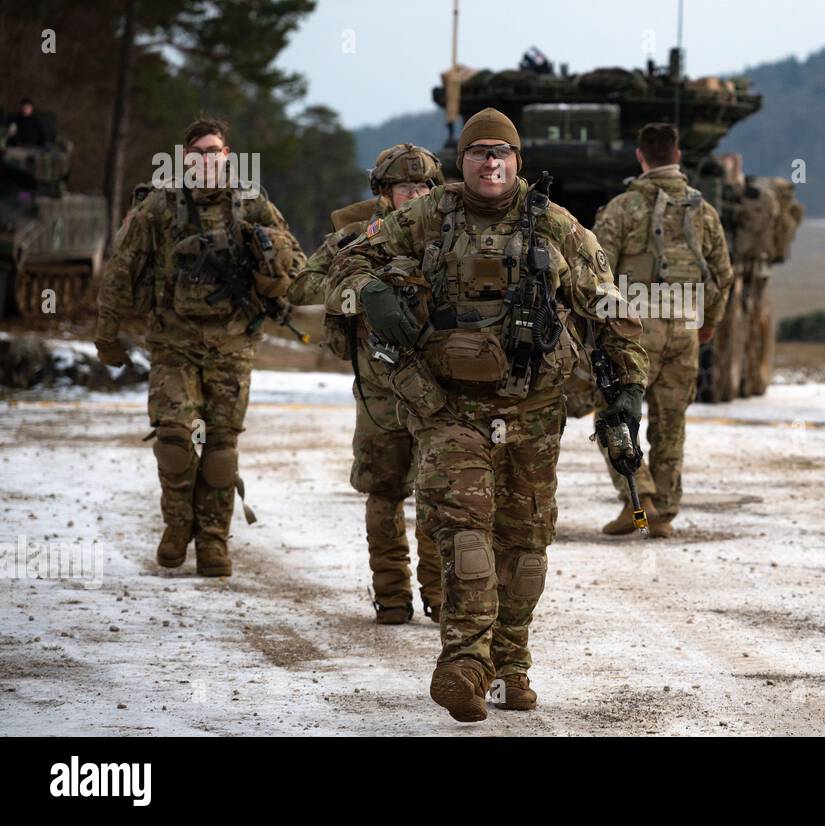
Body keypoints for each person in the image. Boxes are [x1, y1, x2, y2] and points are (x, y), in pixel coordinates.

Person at [326, 108, 647, 721]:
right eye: (478, 153)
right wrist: (371, 293)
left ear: (517, 162)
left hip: (533, 411)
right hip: (449, 408)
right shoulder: (426, 218)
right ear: (462, 162)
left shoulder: (558, 228)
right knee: (464, 531)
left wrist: (626, 390)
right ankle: (465, 663)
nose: (490, 163)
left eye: (501, 153)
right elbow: (342, 268)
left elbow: (612, 310)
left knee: (525, 543)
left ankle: (511, 664)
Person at [95, 115, 306, 576]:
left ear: (227, 157)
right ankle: (177, 526)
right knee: (175, 438)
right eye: (197, 153)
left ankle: (213, 540)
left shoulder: (251, 204)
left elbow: (295, 260)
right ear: (184, 158)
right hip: (173, 341)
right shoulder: (160, 206)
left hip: (233, 345)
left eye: (215, 152)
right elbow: (122, 268)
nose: (207, 160)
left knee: (221, 447)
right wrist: (107, 333)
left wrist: (276, 274)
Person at [288, 144, 444, 623]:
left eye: (423, 187)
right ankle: (392, 595)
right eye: (404, 187)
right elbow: (304, 286)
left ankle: (439, 594)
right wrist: (363, 289)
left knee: (439, 492)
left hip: (440, 382)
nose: (414, 195)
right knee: (385, 491)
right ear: (383, 191)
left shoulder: (449, 231)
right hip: (380, 385)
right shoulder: (359, 235)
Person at [592, 123, 733, 537]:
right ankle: (664, 514)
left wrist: (602, 325)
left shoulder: (623, 207)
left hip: (636, 329)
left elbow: (597, 270)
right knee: (671, 421)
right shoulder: (703, 212)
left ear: (640, 157)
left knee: (613, 416)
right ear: (678, 156)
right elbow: (722, 274)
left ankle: (641, 501)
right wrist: (709, 321)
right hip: (685, 325)